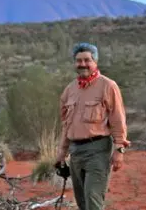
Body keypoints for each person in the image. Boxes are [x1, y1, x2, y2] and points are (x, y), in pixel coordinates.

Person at [55, 42, 130, 210]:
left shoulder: (108, 86)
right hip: (75, 152)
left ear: (95, 62)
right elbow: (66, 126)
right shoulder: (70, 90)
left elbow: (118, 120)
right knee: (82, 202)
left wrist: (119, 150)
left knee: (93, 200)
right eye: (78, 60)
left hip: (98, 150)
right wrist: (61, 153)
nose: (82, 64)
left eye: (87, 60)